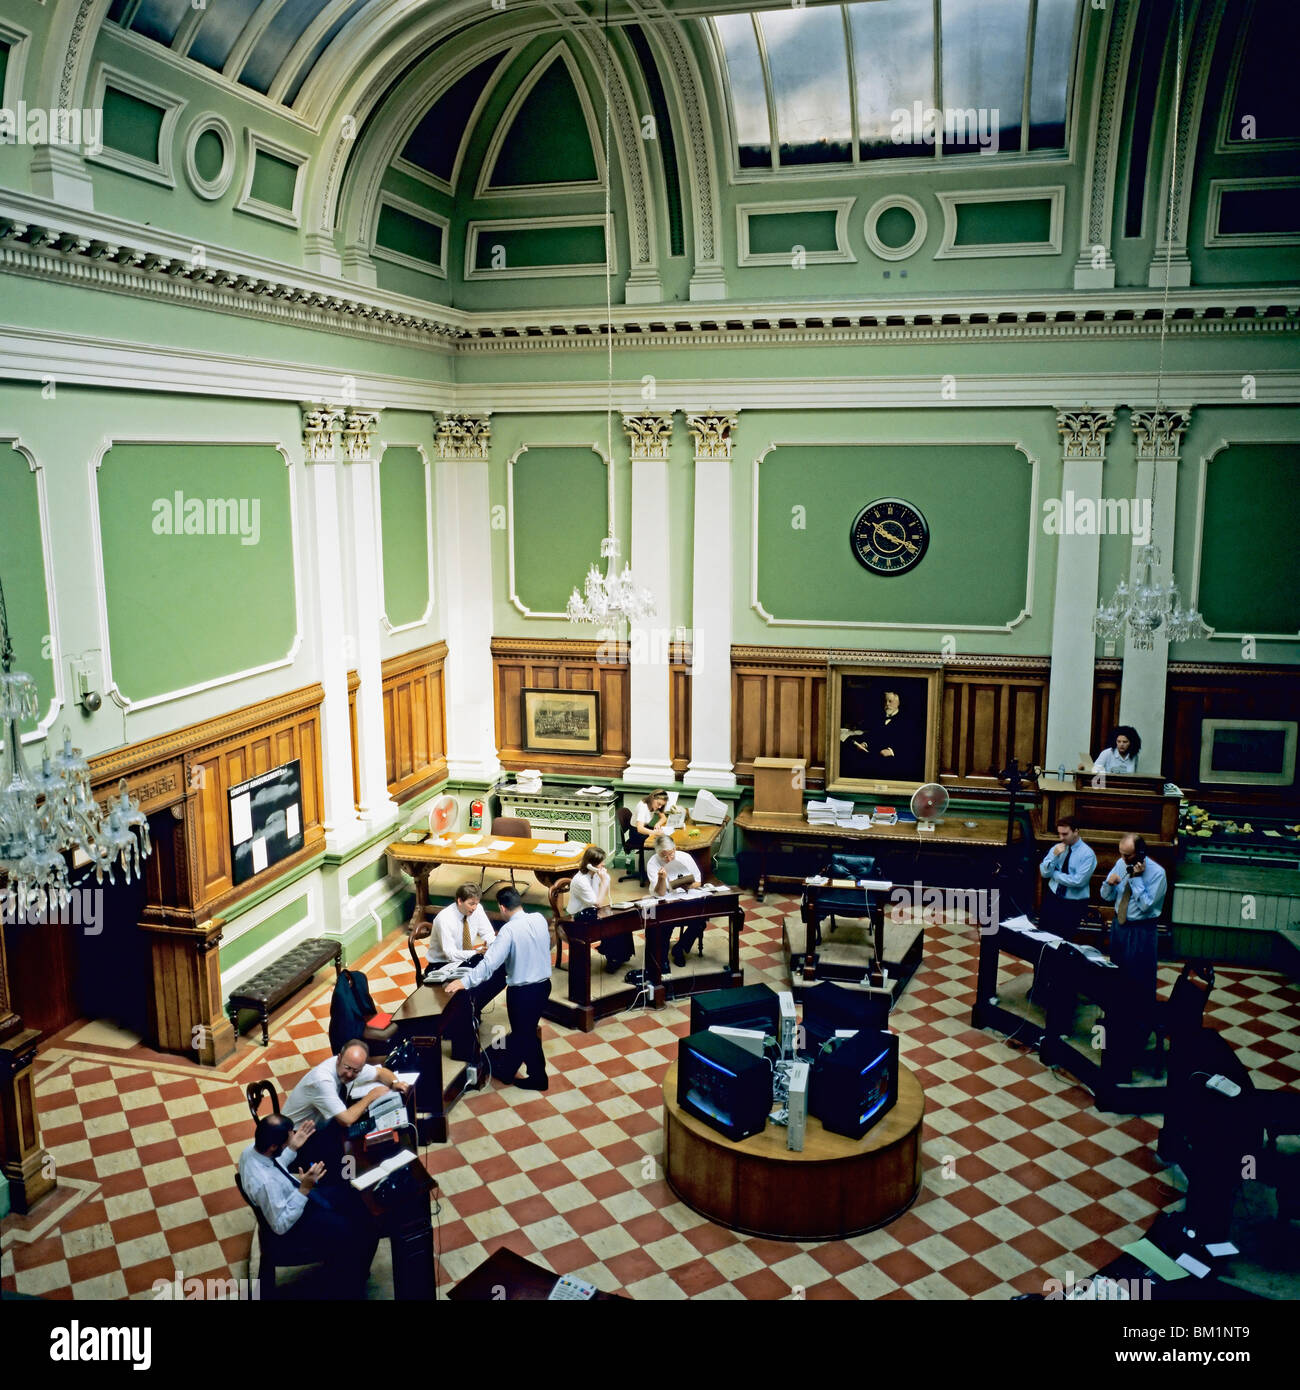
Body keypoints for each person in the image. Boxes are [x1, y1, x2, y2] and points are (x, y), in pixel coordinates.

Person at [237, 1113, 379, 1297]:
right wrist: (304, 1188)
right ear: (273, 1146)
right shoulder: (265, 1183)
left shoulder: (251, 1152)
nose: (292, 1139)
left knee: (351, 1196)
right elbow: (280, 1225)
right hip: (293, 1223)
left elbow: (276, 1164)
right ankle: (351, 1283)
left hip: (293, 1196)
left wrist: (293, 1147)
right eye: (288, 1140)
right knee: (355, 1230)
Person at [445, 886, 552, 1091]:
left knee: (525, 1033)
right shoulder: (539, 918)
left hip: (522, 993)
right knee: (525, 1032)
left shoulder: (508, 930)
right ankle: (509, 1071)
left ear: (502, 908)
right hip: (544, 987)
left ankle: (537, 1077)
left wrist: (464, 982)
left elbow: (489, 964)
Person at [283, 1040, 410, 1171]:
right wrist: (371, 1096)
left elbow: (380, 1073)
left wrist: (394, 1083)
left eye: (356, 1071)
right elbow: (346, 1120)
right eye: (347, 1068)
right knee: (350, 1159)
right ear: (339, 1058)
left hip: (321, 1126)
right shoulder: (322, 1080)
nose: (350, 1074)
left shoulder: (351, 1063)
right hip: (298, 1139)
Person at [1101, 834, 1168, 1054]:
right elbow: (1106, 896)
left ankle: (1139, 1032)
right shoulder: (1121, 863)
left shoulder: (1157, 873)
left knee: (1139, 979)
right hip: (1120, 927)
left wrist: (1136, 880)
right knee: (1118, 975)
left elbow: (1148, 906)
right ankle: (1118, 1025)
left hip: (1142, 930)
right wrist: (1108, 885)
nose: (1122, 858)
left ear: (1139, 854)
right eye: (1121, 853)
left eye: (1127, 855)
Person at [645, 833, 703, 970]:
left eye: (671, 854)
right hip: (664, 901)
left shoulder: (685, 857)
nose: (669, 858)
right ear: (658, 854)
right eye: (664, 856)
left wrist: (688, 885)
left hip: (685, 897)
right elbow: (660, 893)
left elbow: (699, 882)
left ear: (675, 848)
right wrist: (661, 879)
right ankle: (663, 959)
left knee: (700, 921)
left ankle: (680, 948)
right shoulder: (653, 863)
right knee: (666, 924)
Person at [842, 688, 923, 780]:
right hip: (874, 758)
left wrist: (892, 751)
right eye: (885, 701)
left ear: (898, 703)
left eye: (890, 701)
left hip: (895, 763)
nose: (887, 704)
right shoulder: (878, 718)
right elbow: (872, 735)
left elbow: (910, 744)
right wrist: (865, 743)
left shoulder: (907, 722)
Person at [1038, 815, 1096, 941]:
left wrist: (1054, 874)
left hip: (1073, 904)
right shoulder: (1057, 849)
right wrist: (1054, 856)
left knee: (1063, 940)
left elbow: (1078, 881)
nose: (1061, 838)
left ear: (1076, 831)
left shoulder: (1087, 854)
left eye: (1065, 834)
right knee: (1044, 936)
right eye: (1059, 834)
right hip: (1053, 897)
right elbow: (1044, 872)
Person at [569, 846, 625, 970]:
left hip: (590, 911)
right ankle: (612, 958)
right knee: (610, 924)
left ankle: (621, 955)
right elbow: (598, 902)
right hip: (578, 915)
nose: (603, 864)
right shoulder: (581, 881)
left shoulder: (593, 875)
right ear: (591, 864)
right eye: (601, 863)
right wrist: (604, 882)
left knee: (621, 918)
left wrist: (604, 879)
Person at [425, 882, 496, 969]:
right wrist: (476, 953)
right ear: (460, 901)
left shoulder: (478, 909)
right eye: (471, 904)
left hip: (466, 959)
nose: (474, 908)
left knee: (493, 968)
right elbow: (451, 954)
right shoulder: (444, 919)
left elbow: (488, 933)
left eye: (476, 903)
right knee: (480, 975)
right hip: (442, 964)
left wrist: (494, 945)